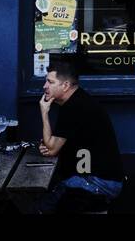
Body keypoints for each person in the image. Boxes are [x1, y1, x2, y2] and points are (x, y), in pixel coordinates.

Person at [36, 57, 124, 212]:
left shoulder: (74, 107)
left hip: (99, 182)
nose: (45, 86)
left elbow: (52, 148)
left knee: (44, 206)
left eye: (50, 82)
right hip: (93, 177)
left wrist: (44, 112)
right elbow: (52, 146)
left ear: (65, 85)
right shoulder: (75, 101)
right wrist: (49, 145)